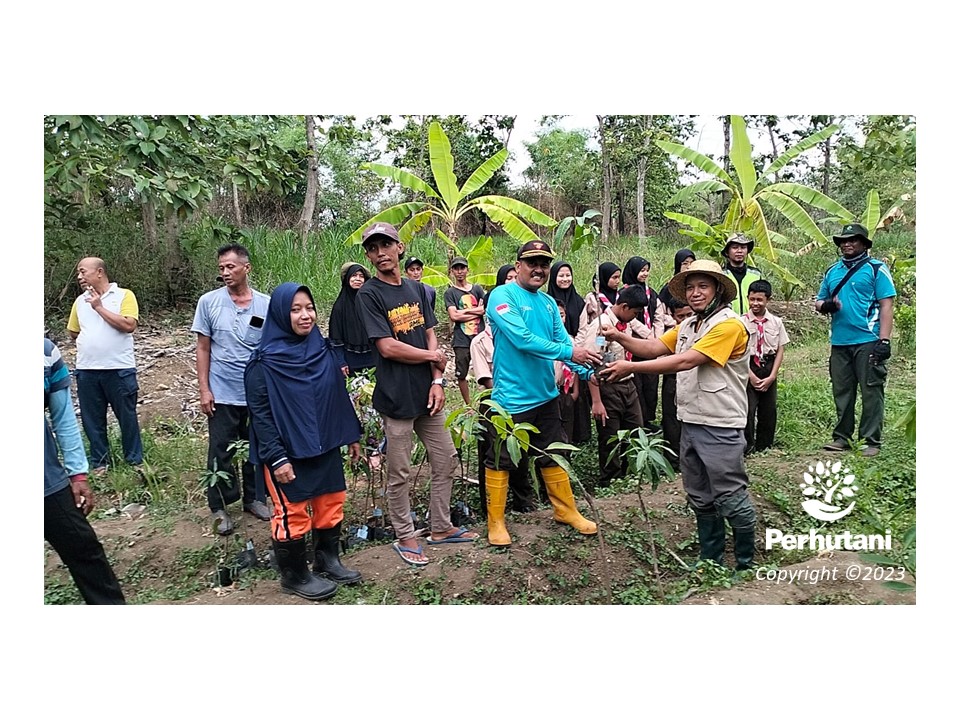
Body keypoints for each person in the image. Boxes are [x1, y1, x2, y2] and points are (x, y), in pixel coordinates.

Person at [600, 259, 757, 570]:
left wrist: (629, 367)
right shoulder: (688, 325)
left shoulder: (728, 326)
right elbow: (654, 347)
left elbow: (686, 361)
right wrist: (619, 337)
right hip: (692, 421)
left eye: (702, 287)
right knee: (699, 493)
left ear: (718, 291)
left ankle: (745, 562)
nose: (695, 293)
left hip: (720, 423)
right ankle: (710, 560)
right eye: (690, 287)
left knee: (730, 493)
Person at [356, 222, 479, 567]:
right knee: (400, 472)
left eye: (386, 245)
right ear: (368, 255)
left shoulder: (419, 290)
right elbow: (387, 346)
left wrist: (437, 380)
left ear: (400, 246)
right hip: (396, 398)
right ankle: (405, 533)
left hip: (428, 393)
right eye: (373, 248)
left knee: (446, 459)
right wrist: (432, 359)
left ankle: (440, 527)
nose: (380, 253)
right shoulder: (369, 295)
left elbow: (430, 334)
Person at [245, 283, 364, 601]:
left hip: (325, 444)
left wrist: (350, 435)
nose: (305, 315)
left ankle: (328, 560)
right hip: (288, 452)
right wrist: (277, 457)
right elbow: (261, 417)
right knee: (292, 512)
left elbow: (337, 396)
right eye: (295, 309)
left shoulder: (323, 350)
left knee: (331, 502)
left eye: (309, 307)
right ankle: (295, 575)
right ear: (282, 314)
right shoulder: (263, 364)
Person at [483, 239, 602, 546]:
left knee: (555, 454)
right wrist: (571, 352)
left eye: (544, 264)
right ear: (518, 265)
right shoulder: (502, 296)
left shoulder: (548, 304)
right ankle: (495, 522)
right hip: (510, 400)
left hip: (546, 396)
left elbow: (565, 346)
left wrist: (591, 372)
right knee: (501, 461)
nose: (539, 269)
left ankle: (565, 511)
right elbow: (523, 339)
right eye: (532, 262)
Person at [191, 244, 272, 535]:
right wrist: (204, 389)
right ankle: (219, 507)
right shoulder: (208, 303)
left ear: (246, 268)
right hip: (222, 391)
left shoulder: (265, 304)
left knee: (255, 447)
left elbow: (272, 348)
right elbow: (203, 348)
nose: (225, 272)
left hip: (256, 392)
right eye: (221, 267)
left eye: (230, 267)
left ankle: (255, 498)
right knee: (220, 450)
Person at [45, 337, 126, 604]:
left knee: (85, 550)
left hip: (45, 481)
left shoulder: (44, 353)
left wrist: (77, 473)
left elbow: (63, 417)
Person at [816, 223, 896, 457]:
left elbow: (886, 305)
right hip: (840, 342)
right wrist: (826, 306)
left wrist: (884, 340)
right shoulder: (832, 271)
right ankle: (841, 437)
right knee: (842, 391)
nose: (847, 244)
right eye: (843, 240)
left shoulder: (876, 269)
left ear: (863, 244)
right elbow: (819, 301)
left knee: (871, 389)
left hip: (868, 339)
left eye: (853, 240)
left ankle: (871, 440)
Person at [66, 256, 143, 475]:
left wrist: (99, 307)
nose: (80, 277)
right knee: (92, 420)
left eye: (83, 272)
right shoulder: (80, 302)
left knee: (127, 417)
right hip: (87, 370)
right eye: (79, 273)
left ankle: (134, 460)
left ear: (99, 272)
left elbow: (129, 325)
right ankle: (100, 463)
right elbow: (73, 331)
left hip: (119, 369)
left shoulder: (124, 295)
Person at [469, 264, 536, 515]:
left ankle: (523, 501)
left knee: (520, 452)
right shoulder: (480, 341)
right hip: (496, 402)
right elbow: (485, 379)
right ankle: (492, 510)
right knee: (496, 454)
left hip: (520, 397)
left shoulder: (518, 333)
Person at [577, 285, 646, 488]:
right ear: (624, 307)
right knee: (610, 437)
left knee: (636, 431)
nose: (635, 317)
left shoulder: (625, 324)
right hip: (608, 388)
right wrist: (597, 401)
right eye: (634, 313)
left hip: (628, 385)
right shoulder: (601, 327)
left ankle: (632, 474)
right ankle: (610, 480)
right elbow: (591, 364)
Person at [742, 279, 790, 454]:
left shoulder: (776, 322)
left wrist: (772, 376)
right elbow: (738, 354)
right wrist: (751, 377)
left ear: (768, 300)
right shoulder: (741, 322)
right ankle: (748, 446)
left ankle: (765, 445)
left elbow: (780, 349)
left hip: (769, 366)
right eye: (752, 299)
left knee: (768, 410)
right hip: (748, 367)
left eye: (759, 300)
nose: (755, 303)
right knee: (748, 408)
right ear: (748, 298)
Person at [548, 260, 591, 444]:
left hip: (576, 351)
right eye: (561, 275)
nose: (565, 279)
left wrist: (574, 349)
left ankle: (578, 437)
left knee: (577, 397)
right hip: (552, 351)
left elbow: (584, 328)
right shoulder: (546, 301)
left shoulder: (579, 301)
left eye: (568, 275)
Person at [622, 256, 666, 434]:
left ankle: (648, 419)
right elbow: (629, 320)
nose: (645, 273)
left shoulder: (652, 293)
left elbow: (659, 317)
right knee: (637, 384)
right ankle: (637, 421)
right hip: (633, 343)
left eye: (647, 270)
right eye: (641, 270)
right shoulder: (625, 293)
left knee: (651, 384)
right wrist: (648, 337)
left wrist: (658, 339)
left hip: (652, 345)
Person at [444, 255, 485, 404]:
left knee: (486, 372)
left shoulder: (477, 289)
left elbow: (484, 310)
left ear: (467, 270)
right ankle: (469, 405)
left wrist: (463, 313)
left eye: (462, 268)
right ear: (452, 271)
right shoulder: (450, 293)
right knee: (461, 373)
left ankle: (486, 402)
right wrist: (475, 311)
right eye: (456, 268)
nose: (460, 271)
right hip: (462, 340)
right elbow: (454, 315)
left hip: (480, 338)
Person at [660, 296, 694, 471]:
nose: (686, 319)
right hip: (673, 379)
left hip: (696, 381)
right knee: (671, 421)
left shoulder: (702, 331)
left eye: (689, 314)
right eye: (681, 316)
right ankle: (674, 463)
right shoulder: (672, 334)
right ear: (673, 316)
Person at [329, 262, 375, 375]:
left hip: (374, 360)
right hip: (350, 362)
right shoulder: (340, 306)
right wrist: (341, 362)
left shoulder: (371, 303)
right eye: (354, 275)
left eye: (361, 276)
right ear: (347, 278)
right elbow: (336, 337)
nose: (357, 279)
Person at [721, 234, 762, 316]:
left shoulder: (756, 274)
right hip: (728, 320)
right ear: (727, 252)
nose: (739, 251)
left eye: (743, 247)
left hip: (752, 320)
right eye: (735, 247)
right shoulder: (721, 274)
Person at [579, 261, 621, 329]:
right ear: (605, 278)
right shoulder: (592, 298)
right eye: (614, 277)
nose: (618, 281)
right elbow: (584, 322)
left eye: (619, 277)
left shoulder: (620, 297)